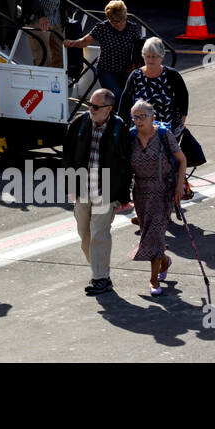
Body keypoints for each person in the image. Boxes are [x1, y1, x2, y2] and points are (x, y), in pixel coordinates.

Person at [63, 88, 130, 296]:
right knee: (84, 234)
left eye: (95, 106)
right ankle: (100, 270)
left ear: (108, 109)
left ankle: (100, 277)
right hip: (82, 189)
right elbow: (68, 156)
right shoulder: (80, 123)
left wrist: (123, 196)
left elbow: (126, 165)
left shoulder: (120, 128)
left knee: (99, 235)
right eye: (89, 105)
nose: (90, 109)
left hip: (106, 192)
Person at [127, 99, 186, 296]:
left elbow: (181, 159)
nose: (138, 120)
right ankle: (165, 261)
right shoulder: (131, 137)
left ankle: (153, 281)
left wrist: (179, 187)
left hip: (163, 191)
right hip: (140, 191)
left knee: (157, 233)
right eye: (135, 117)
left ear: (152, 117)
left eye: (142, 116)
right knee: (148, 233)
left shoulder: (163, 135)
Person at [66, 0, 143, 101]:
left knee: (129, 97)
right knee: (117, 96)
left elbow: (139, 47)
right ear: (109, 19)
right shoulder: (102, 28)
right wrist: (71, 43)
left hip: (126, 70)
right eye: (115, 22)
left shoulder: (132, 28)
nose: (119, 24)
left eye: (122, 20)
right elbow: (85, 41)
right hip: (107, 69)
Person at [118, 37, 189, 142]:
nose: (150, 60)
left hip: (168, 132)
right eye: (147, 56)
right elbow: (125, 102)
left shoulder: (172, 75)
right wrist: (122, 128)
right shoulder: (135, 76)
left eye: (154, 57)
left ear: (161, 57)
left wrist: (181, 124)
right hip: (139, 132)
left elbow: (183, 99)